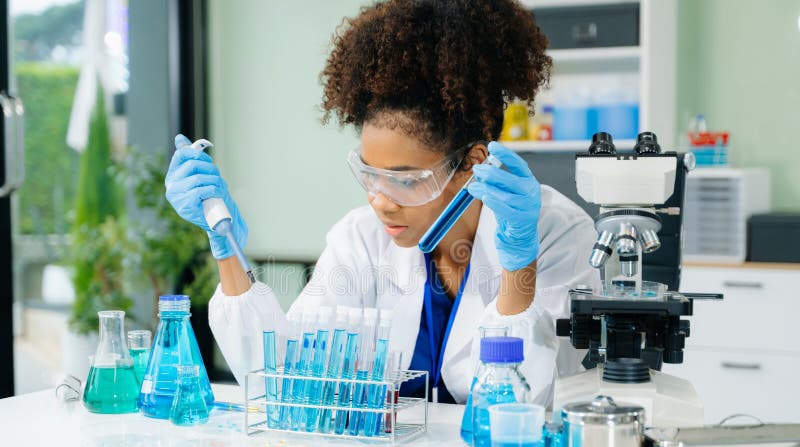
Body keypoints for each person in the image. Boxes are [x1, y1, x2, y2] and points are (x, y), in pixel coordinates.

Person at [165, 0, 599, 406]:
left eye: (404, 179)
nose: (380, 201)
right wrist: (223, 244)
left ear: (471, 163)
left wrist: (519, 265)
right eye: (370, 174)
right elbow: (279, 377)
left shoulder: (552, 229)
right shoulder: (362, 236)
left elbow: (530, 399)